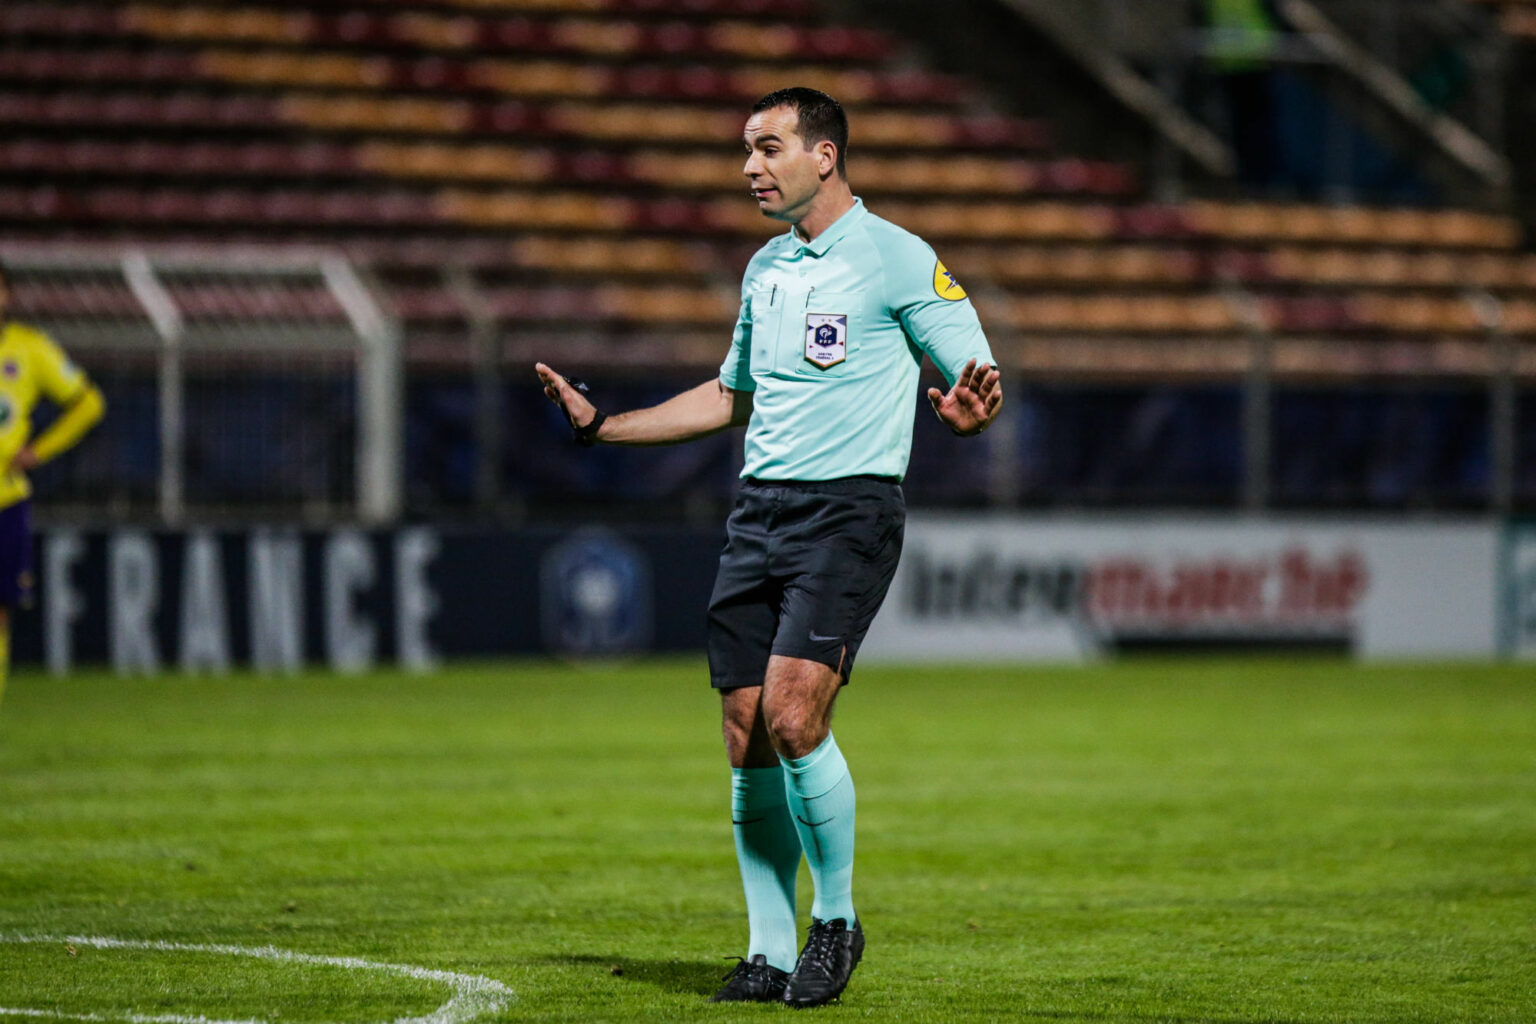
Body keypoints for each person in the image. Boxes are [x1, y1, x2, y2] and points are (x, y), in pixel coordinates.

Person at [535, 87, 1002, 1007]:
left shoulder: (897, 257)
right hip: (759, 513)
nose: (750, 166)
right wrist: (603, 426)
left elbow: (974, 379)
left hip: (849, 513)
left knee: (795, 715)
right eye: (747, 149)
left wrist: (967, 414)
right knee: (746, 733)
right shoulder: (766, 269)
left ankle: (836, 922)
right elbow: (729, 395)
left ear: (823, 156)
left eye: (768, 147)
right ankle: (767, 950)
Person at [0, 261, 106, 710]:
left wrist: (38, 452)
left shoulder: (28, 349)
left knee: (0, 608)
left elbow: (88, 404)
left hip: (6, 500)